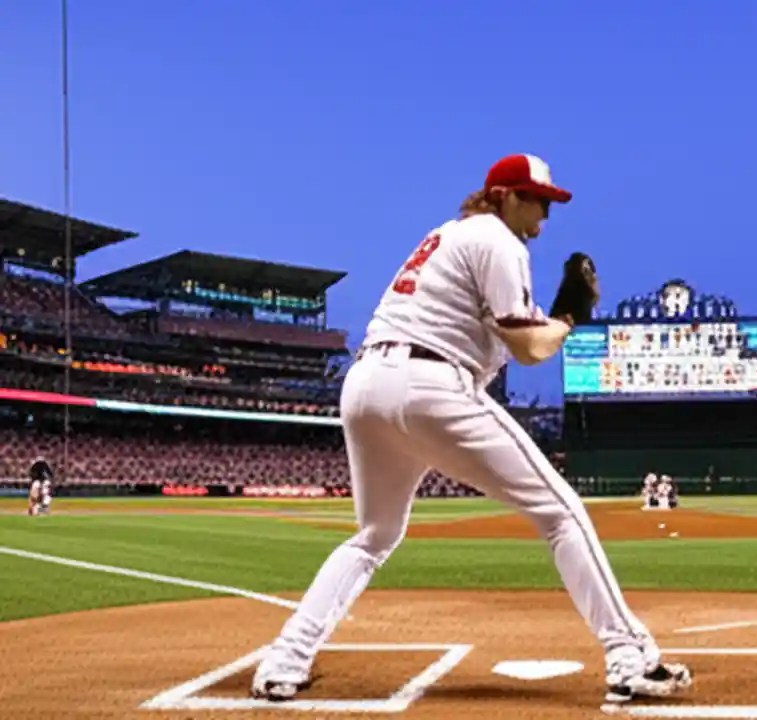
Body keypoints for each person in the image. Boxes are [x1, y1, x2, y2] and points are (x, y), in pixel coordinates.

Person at [251, 154, 691, 705]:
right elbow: (530, 349)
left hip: (365, 386)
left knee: (374, 536)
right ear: (505, 196)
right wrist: (571, 318)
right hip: (430, 385)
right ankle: (631, 657)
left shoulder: (448, 235)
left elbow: (518, 331)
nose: (545, 216)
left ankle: (283, 663)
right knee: (560, 513)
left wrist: (552, 319)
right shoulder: (499, 241)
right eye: (538, 201)